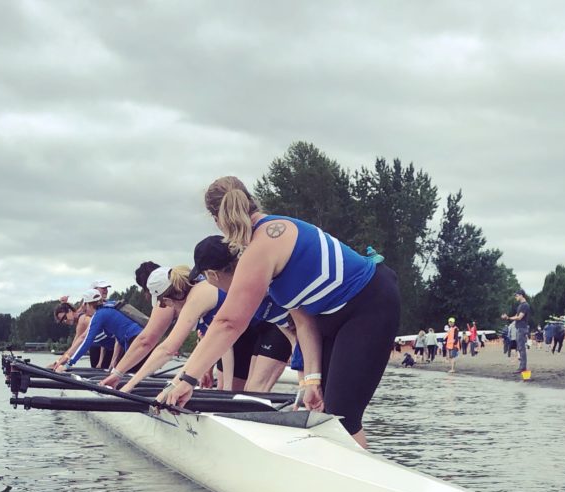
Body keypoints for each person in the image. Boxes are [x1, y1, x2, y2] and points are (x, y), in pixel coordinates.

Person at [157, 176, 400, 449]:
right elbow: (303, 322)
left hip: (369, 304)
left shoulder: (262, 245)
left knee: (342, 418)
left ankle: (361, 484)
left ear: (217, 219)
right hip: (335, 317)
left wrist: (186, 379)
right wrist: (311, 380)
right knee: (322, 412)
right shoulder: (262, 240)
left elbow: (228, 323)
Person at [119, 254, 292, 394]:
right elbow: (221, 347)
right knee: (235, 392)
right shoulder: (197, 303)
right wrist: (220, 389)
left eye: (164, 303)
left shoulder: (198, 296)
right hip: (245, 334)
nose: (166, 307)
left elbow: (167, 349)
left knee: (255, 390)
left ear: (169, 297)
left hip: (273, 327)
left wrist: (129, 385)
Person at [54, 289, 143, 370]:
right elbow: (120, 336)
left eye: (84, 306)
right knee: (129, 374)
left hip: (136, 341)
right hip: (136, 340)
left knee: (130, 376)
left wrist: (68, 365)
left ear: (87, 304)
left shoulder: (98, 316)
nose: (84, 310)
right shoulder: (109, 306)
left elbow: (86, 342)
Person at [501, 290, 531, 374]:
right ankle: (522, 367)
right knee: (520, 348)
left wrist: (508, 318)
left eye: (517, 295)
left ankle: (523, 367)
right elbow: (517, 316)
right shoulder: (521, 305)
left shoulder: (525, 305)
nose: (515, 297)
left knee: (521, 348)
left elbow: (519, 317)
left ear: (521, 295)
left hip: (522, 328)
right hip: (520, 328)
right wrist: (508, 317)